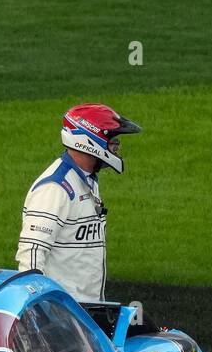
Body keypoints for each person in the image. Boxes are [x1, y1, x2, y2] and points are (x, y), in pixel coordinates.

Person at [15, 103, 141, 301]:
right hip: (61, 316)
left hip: (83, 311)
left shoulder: (86, 179)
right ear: (91, 141)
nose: (116, 147)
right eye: (112, 141)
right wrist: (41, 311)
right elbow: (31, 253)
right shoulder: (55, 188)